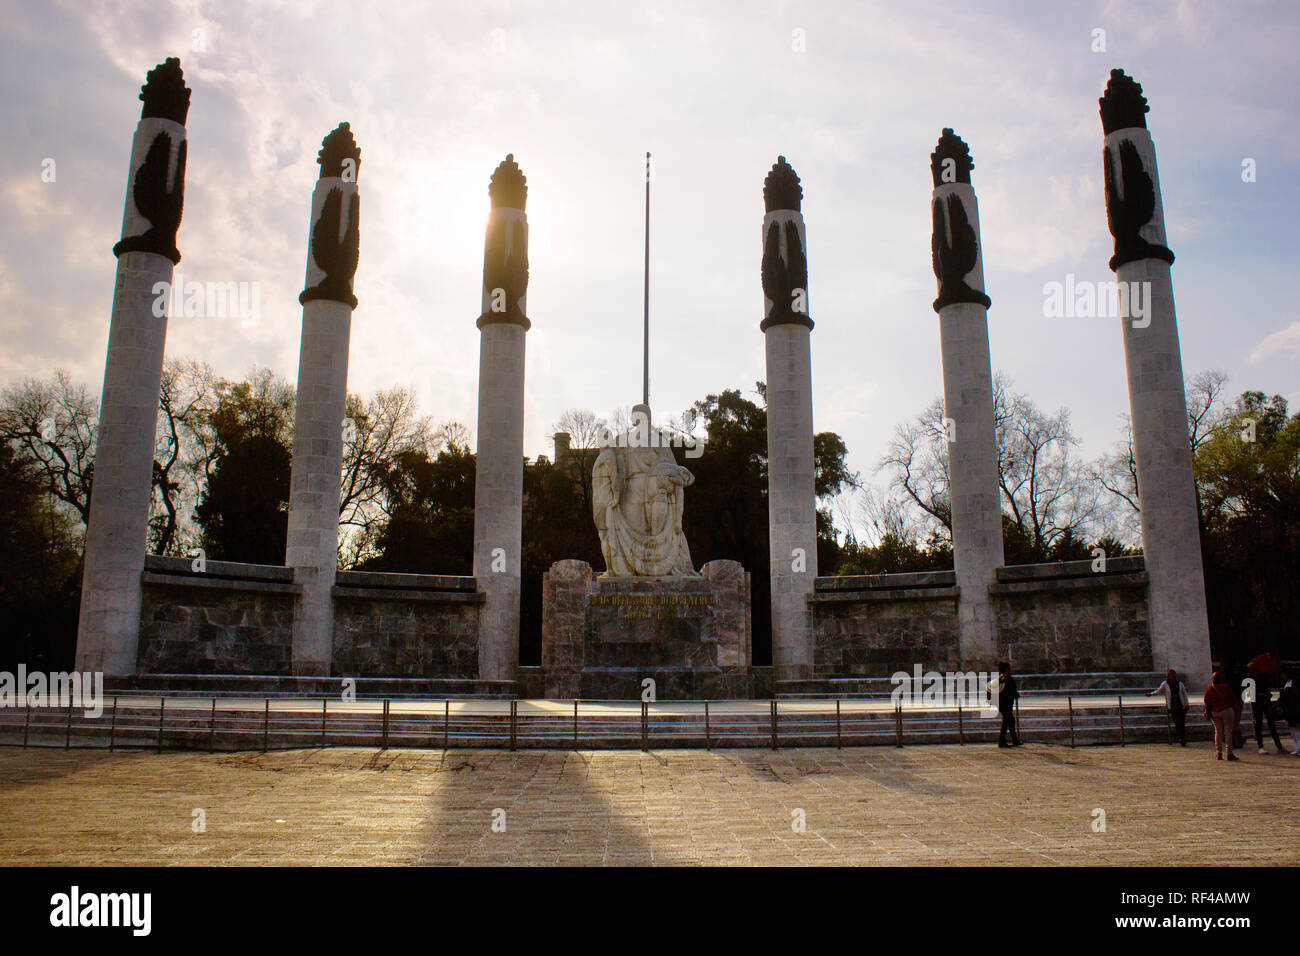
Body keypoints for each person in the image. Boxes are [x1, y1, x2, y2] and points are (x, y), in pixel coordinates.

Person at [1246, 652, 1289, 755]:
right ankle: (1277, 746)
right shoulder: (1265, 674)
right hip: (1263, 699)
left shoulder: (1254, 675)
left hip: (1258, 699)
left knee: (1260, 723)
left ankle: (1261, 746)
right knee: (1269, 723)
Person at [1204, 670, 1240, 761]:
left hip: (1215, 712)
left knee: (1218, 732)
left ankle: (1218, 752)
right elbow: (1233, 699)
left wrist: (1208, 712)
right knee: (1228, 732)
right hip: (1227, 710)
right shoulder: (1226, 687)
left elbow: (1207, 702)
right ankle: (1229, 753)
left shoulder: (1209, 689)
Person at [1147, 668, 1189, 746]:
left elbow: (1184, 694)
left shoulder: (1180, 683)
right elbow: (1158, 691)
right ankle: (1180, 738)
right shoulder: (1165, 684)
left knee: (1182, 723)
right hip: (1173, 706)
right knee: (1177, 723)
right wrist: (1151, 694)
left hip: (1181, 705)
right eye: (1170, 675)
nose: (1172, 676)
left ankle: (1183, 738)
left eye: (1173, 675)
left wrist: (1186, 704)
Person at [991, 660, 1021, 748]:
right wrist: (1016, 695)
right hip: (1006, 704)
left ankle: (1014, 740)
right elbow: (1010, 691)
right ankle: (1002, 741)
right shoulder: (1007, 678)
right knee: (1007, 721)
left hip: (1002, 703)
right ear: (1007, 669)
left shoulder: (1001, 678)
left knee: (1010, 721)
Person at [1277, 668, 1300, 758]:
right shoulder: (1287, 684)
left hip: (1295, 709)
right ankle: (1297, 747)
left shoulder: (1295, 684)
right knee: (1294, 730)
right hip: (1290, 710)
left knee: (1297, 730)